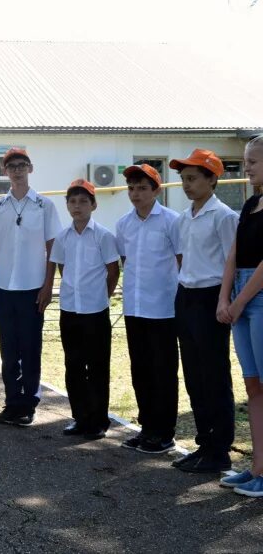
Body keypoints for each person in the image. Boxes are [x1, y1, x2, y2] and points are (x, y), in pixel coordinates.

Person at [168, 148, 238, 474]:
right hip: (186, 296)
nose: (187, 184)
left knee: (214, 375)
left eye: (193, 178)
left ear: (212, 179)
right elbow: (184, 258)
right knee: (194, 375)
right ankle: (204, 443)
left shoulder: (224, 216)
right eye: (183, 179)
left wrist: (224, 302)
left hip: (211, 297)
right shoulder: (185, 217)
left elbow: (231, 263)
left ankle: (220, 449)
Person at [0, 147, 61, 427]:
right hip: (3, 285)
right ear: (4, 172)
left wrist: (48, 284)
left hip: (32, 286)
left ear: (31, 168)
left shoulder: (44, 205)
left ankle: (29, 403)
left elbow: (52, 244)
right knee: (8, 349)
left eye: (22, 165)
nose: (17, 170)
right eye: (12, 166)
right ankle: (12, 401)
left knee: (30, 348)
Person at [115, 164, 181, 454]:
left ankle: (164, 433)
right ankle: (147, 428)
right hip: (134, 307)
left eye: (142, 188)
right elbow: (126, 261)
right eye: (131, 188)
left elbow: (181, 261)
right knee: (140, 369)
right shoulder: (124, 224)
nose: (136, 193)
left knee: (163, 371)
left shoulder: (171, 221)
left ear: (156, 190)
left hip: (163, 308)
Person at [49, 180, 120, 440]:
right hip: (70, 310)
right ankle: (80, 418)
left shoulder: (103, 235)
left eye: (82, 201)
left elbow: (113, 271)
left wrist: (102, 296)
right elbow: (61, 267)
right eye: (72, 201)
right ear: (67, 205)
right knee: (74, 365)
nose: (77, 206)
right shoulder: (63, 237)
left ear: (93, 204)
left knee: (98, 366)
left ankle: (99, 420)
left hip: (95, 311)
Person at [216, 137, 263, 496]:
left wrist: (242, 301)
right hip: (239, 298)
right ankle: (256, 468)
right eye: (246, 162)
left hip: (257, 299)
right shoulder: (250, 204)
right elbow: (233, 255)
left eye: (252, 162)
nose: (245, 167)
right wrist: (224, 299)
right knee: (252, 386)